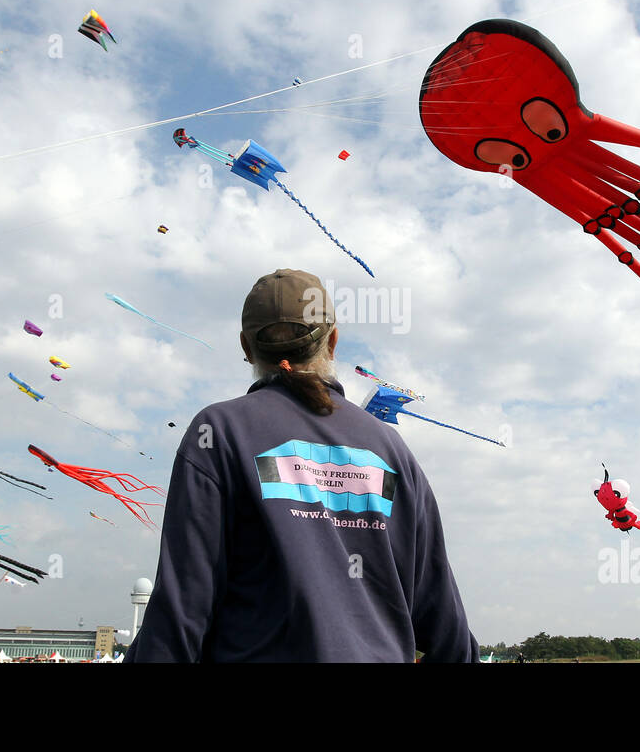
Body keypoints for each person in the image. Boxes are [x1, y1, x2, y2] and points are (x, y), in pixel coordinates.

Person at [126, 269, 478, 663]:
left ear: (246, 346)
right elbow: (447, 626)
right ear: (333, 340)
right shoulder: (390, 447)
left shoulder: (218, 433)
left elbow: (179, 614)